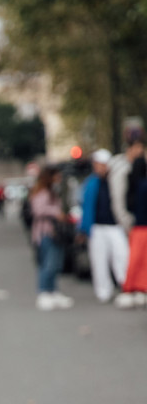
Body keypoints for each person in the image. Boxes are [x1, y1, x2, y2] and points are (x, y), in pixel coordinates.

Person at [79, 149, 130, 303]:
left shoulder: (116, 180)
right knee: (99, 260)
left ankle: (126, 286)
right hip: (97, 227)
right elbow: (86, 207)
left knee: (122, 256)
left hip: (115, 225)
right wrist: (83, 228)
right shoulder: (91, 183)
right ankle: (103, 290)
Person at [110, 126, 146, 307]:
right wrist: (126, 222)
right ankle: (130, 288)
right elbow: (119, 199)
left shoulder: (136, 169)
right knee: (130, 258)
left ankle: (137, 288)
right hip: (130, 222)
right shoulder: (123, 169)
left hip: (136, 221)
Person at [29, 166, 73, 311]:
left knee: (56, 263)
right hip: (46, 233)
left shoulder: (52, 192)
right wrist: (56, 212)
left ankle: (53, 291)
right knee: (48, 264)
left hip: (56, 233)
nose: (59, 179)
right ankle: (43, 292)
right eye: (56, 176)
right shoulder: (42, 192)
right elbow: (38, 210)